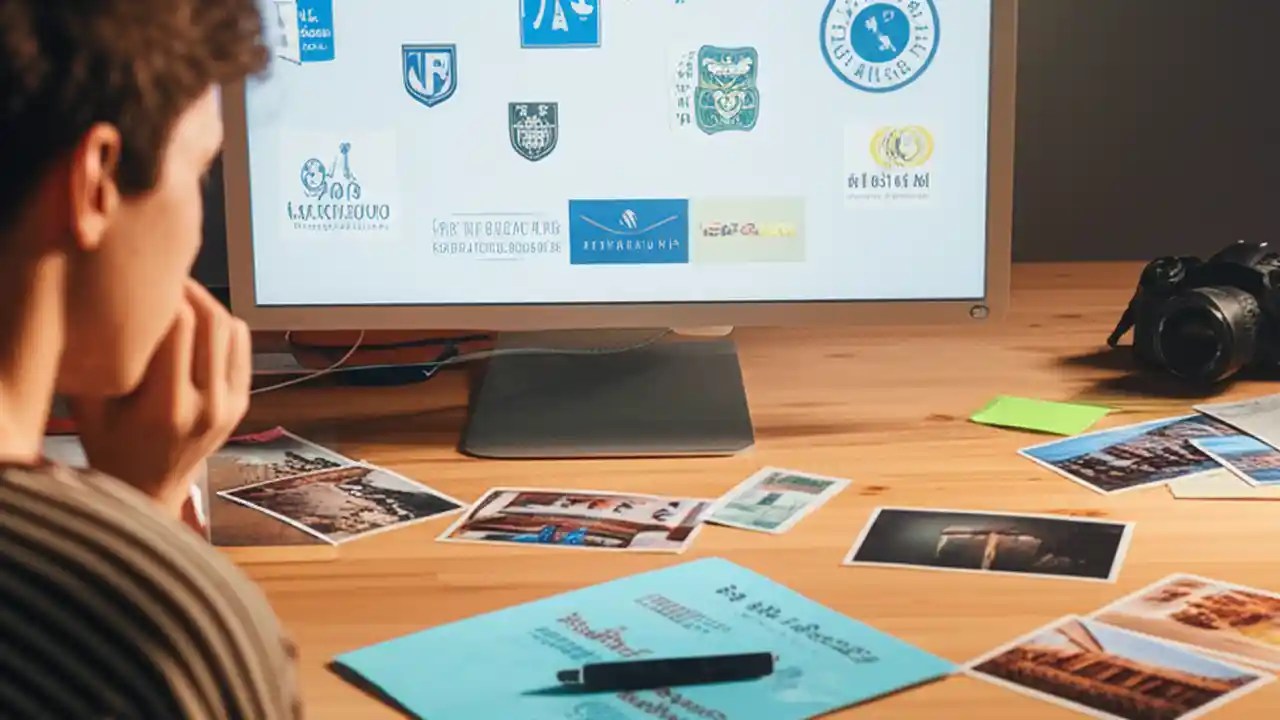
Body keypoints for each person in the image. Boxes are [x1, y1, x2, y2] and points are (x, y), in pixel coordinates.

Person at [0, 2, 300, 718]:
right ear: (95, 182)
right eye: (199, 170)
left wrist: (132, 511)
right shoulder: (155, 624)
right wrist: (146, 541)